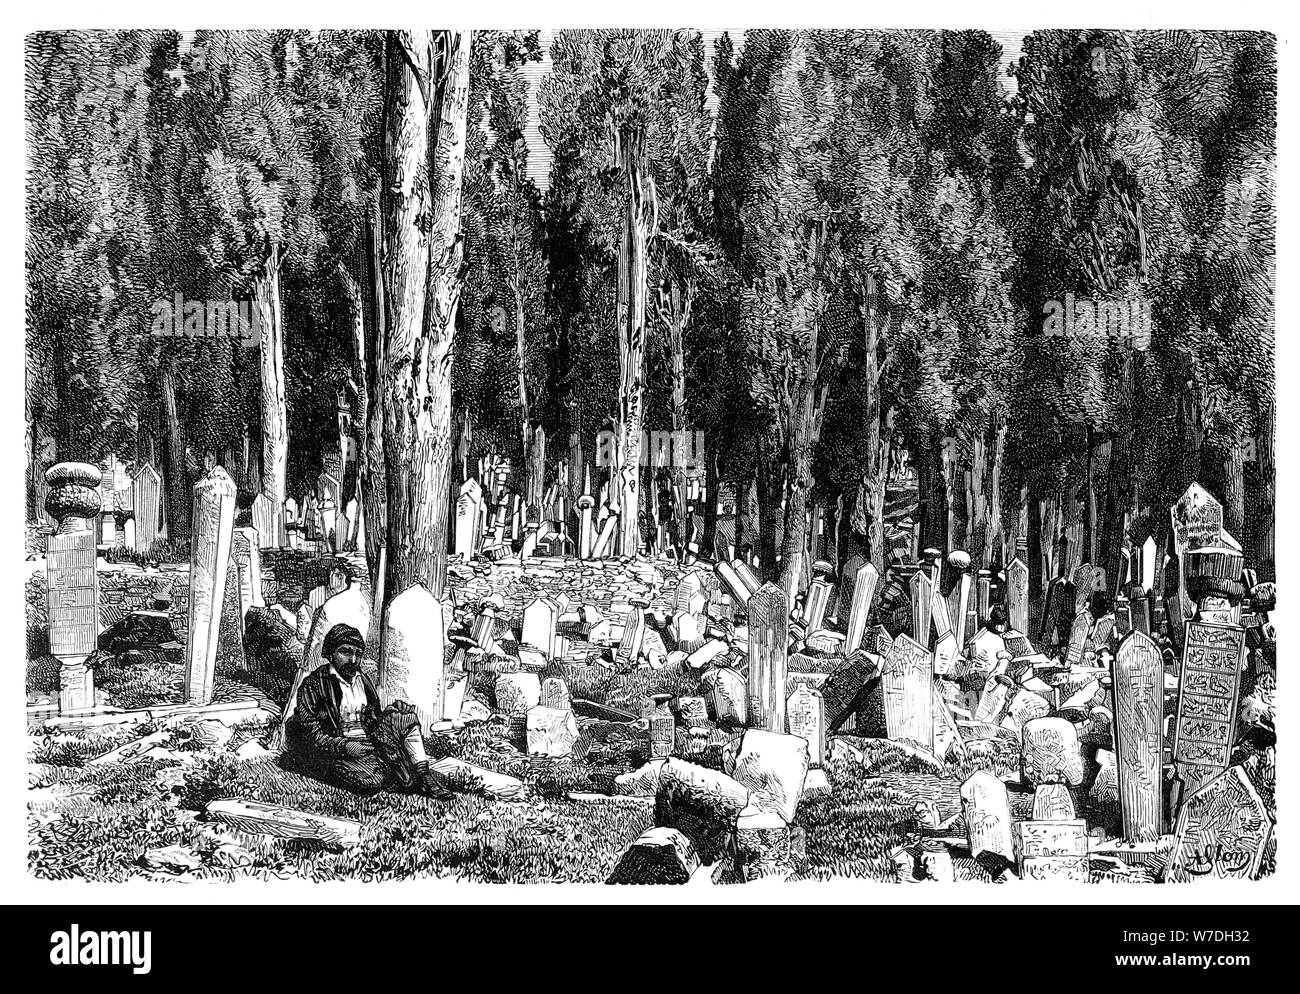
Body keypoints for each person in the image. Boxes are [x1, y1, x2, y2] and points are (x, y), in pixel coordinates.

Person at [283, 622, 450, 798]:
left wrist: (392, 712)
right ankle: (395, 771)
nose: (353, 660)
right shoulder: (315, 684)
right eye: (345, 652)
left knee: (405, 717)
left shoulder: (362, 679)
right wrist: (346, 746)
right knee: (371, 781)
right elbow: (312, 734)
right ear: (331, 653)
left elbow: (373, 718)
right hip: (337, 749)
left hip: (367, 741)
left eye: (357, 654)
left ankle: (424, 776)